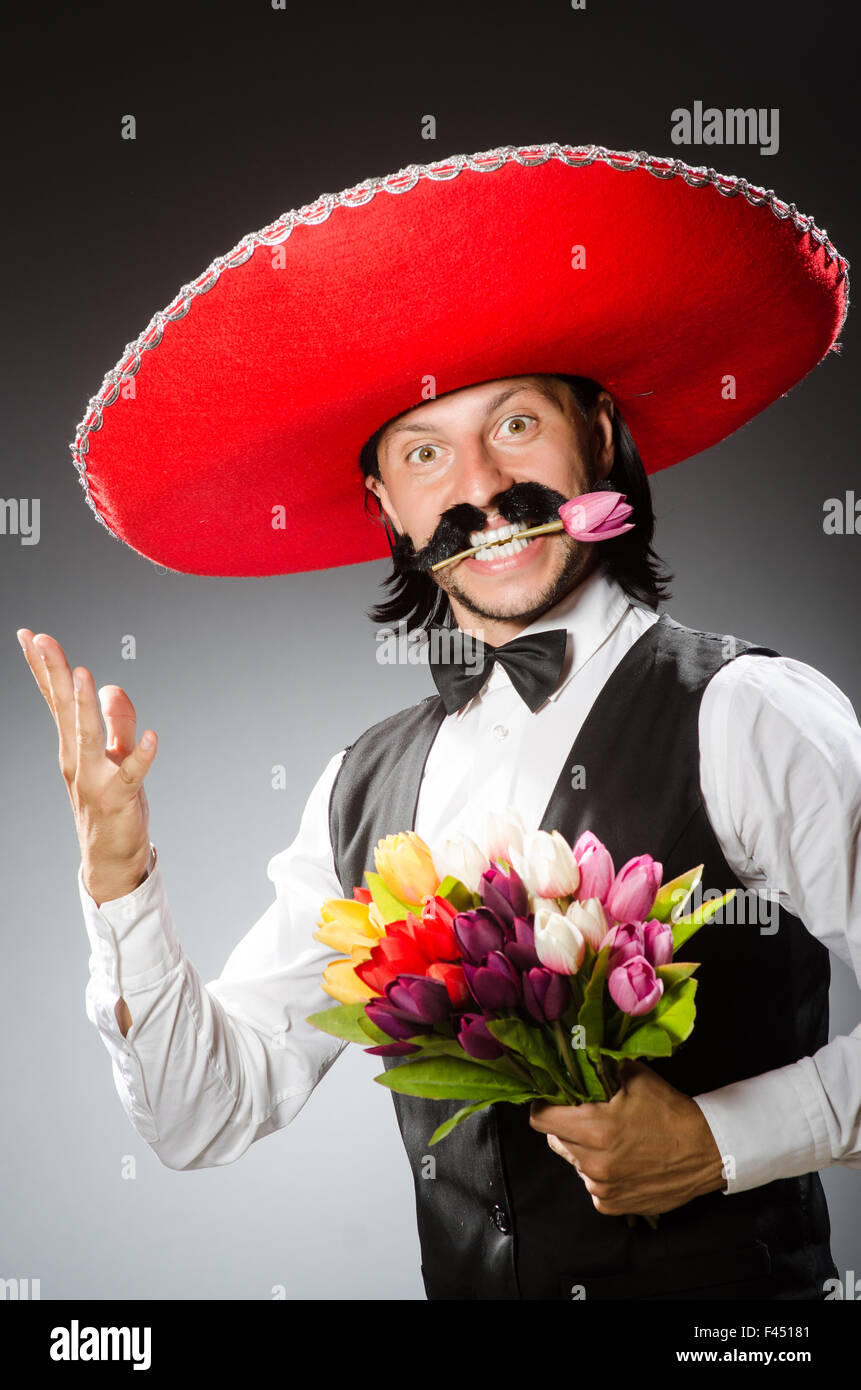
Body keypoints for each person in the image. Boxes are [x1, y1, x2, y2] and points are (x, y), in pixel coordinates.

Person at [18, 143, 860, 1299]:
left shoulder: (749, 713)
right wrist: (120, 884)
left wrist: (729, 1137)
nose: (476, 483)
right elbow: (204, 1112)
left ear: (599, 438)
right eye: (425, 452)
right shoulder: (362, 789)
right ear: (391, 509)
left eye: (516, 425)